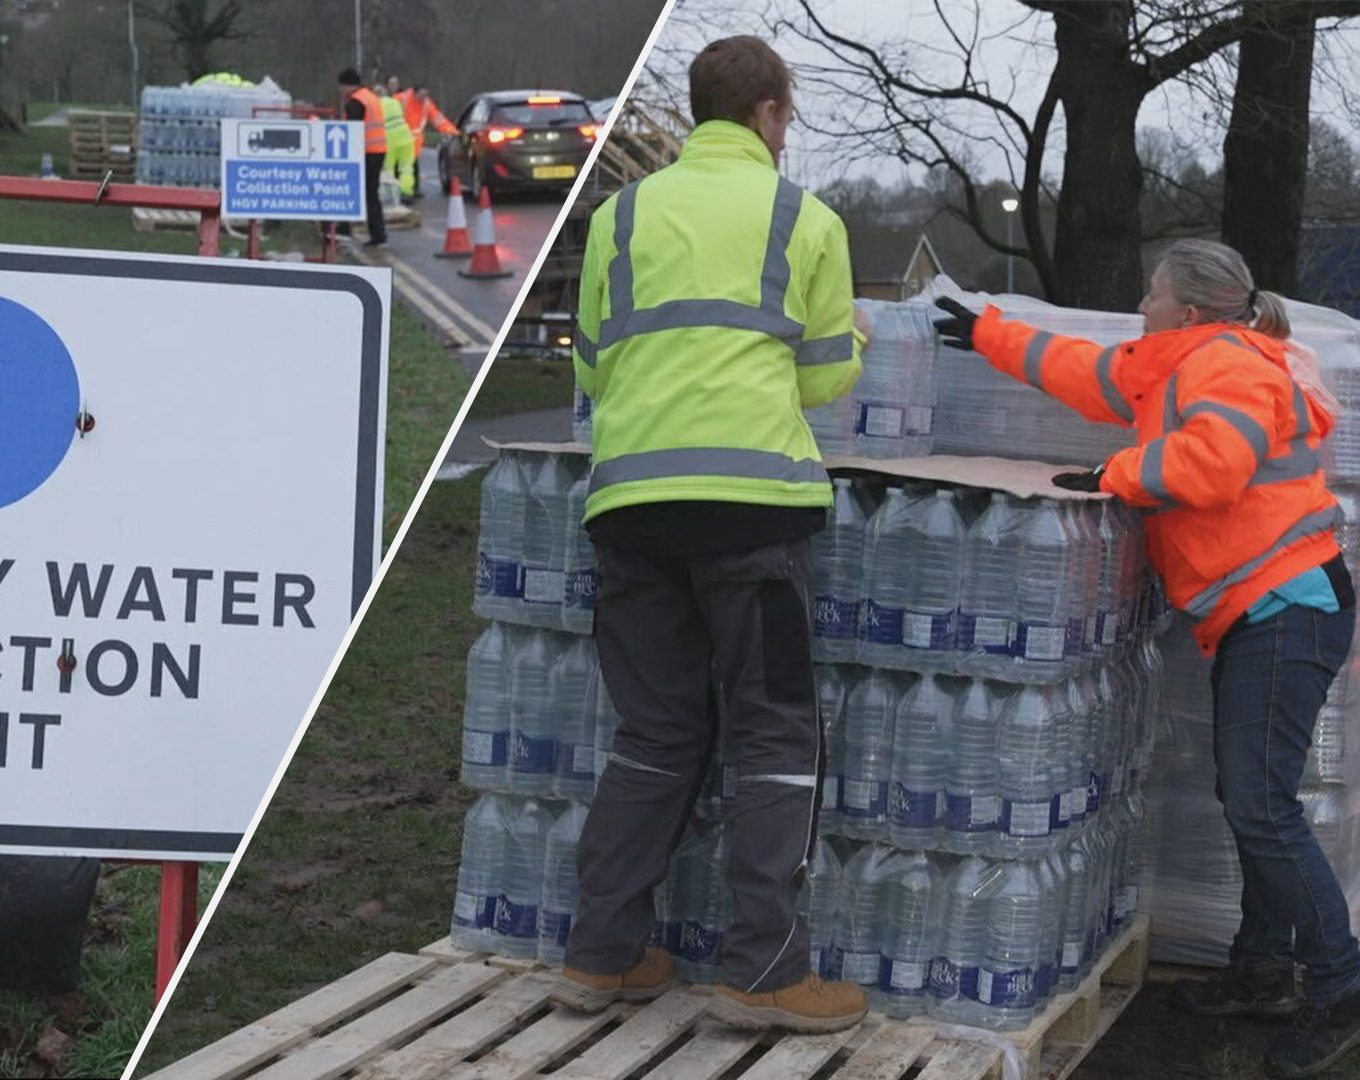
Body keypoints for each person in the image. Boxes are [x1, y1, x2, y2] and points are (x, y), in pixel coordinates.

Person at [935, 241, 1358, 1079]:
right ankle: (1266, 973)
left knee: (1260, 805)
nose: (1141, 303)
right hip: (1265, 605)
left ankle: (1342, 986)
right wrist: (989, 333)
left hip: (1286, 604)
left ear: (1190, 311)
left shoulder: (1228, 364)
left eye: (1152, 293)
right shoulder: (1172, 363)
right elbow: (1082, 368)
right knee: (1252, 798)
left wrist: (1114, 473)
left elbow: (1215, 463)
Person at [555, 35, 870, 1033]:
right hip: (753, 511)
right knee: (775, 729)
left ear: (700, 114)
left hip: (630, 509)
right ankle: (765, 971)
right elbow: (823, 379)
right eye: (790, 117)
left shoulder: (619, 214)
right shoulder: (804, 219)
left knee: (656, 732)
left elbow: (595, 368)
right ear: (773, 113)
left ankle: (602, 956)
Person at [337, 69, 387, 246]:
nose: (340, 91)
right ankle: (378, 235)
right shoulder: (370, 96)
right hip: (378, 150)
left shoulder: (356, 102)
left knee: (353, 191)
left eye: (341, 86)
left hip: (365, 152)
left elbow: (352, 132)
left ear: (347, 85)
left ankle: (345, 229)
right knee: (371, 193)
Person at [395, 79, 458, 197]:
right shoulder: (401, 99)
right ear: (415, 92)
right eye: (421, 94)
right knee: (403, 169)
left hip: (412, 143)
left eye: (425, 95)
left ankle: (412, 190)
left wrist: (452, 131)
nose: (423, 97)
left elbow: (438, 120)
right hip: (399, 141)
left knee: (411, 168)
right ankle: (405, 192)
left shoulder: (426, 105)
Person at [377, 80, 415, 201]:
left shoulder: (375, 104)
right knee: (406, 167)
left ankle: (390, 194)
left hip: (389, 139)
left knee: (389, 168)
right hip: (406, 136)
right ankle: (406, 192)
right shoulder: (395, 102)